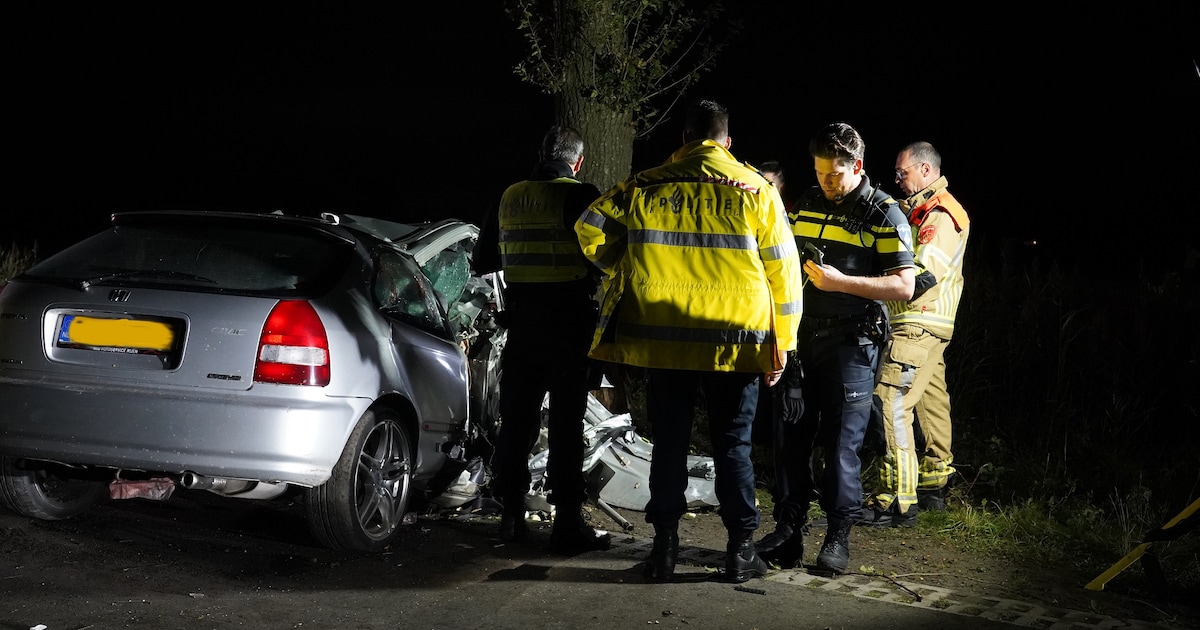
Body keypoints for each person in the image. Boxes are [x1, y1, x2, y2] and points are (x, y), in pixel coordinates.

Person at [575, 98, 804, 583]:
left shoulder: (645, 185)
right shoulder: (757, 190)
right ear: (727, 142)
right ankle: (740, 552)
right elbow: (784, 273)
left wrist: (625, 266)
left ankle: (664, 550)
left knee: (669, 446)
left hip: (665, 342)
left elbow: (589, 228)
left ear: (683, 139)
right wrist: (782, 343)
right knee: (734, 447)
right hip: (736, 343)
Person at [756, 122, 916, 575]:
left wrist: (842, 282)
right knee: (790, 438)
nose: (826, 181)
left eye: (835, 174)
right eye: (820, 172)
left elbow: (904, 286)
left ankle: (837, 535)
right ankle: (788, 531)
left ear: (857, 166)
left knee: (841, 445)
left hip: (852, 343)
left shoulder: (884, 212)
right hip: (802, 338)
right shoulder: (807, 203)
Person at [472, 124, 612, 555]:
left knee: (517, 420)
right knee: (567, 424)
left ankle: (510, 515)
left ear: (541, 153)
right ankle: (567, 522)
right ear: (578, 161)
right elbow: (607, 258)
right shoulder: (582, 195)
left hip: (523, 323)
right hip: (569, 324)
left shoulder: (509, 195)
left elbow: (484, 260)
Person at [860, 141, 970, 525]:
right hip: (933, 323)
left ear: (926, 170)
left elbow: (922, 277)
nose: (897, 179)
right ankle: (934, 481)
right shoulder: (928, 210)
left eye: (902, 172)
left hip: (918, 320)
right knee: (930, 399)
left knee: (890, 401)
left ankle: (895, 497)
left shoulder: (939, 214)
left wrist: (875, 291)